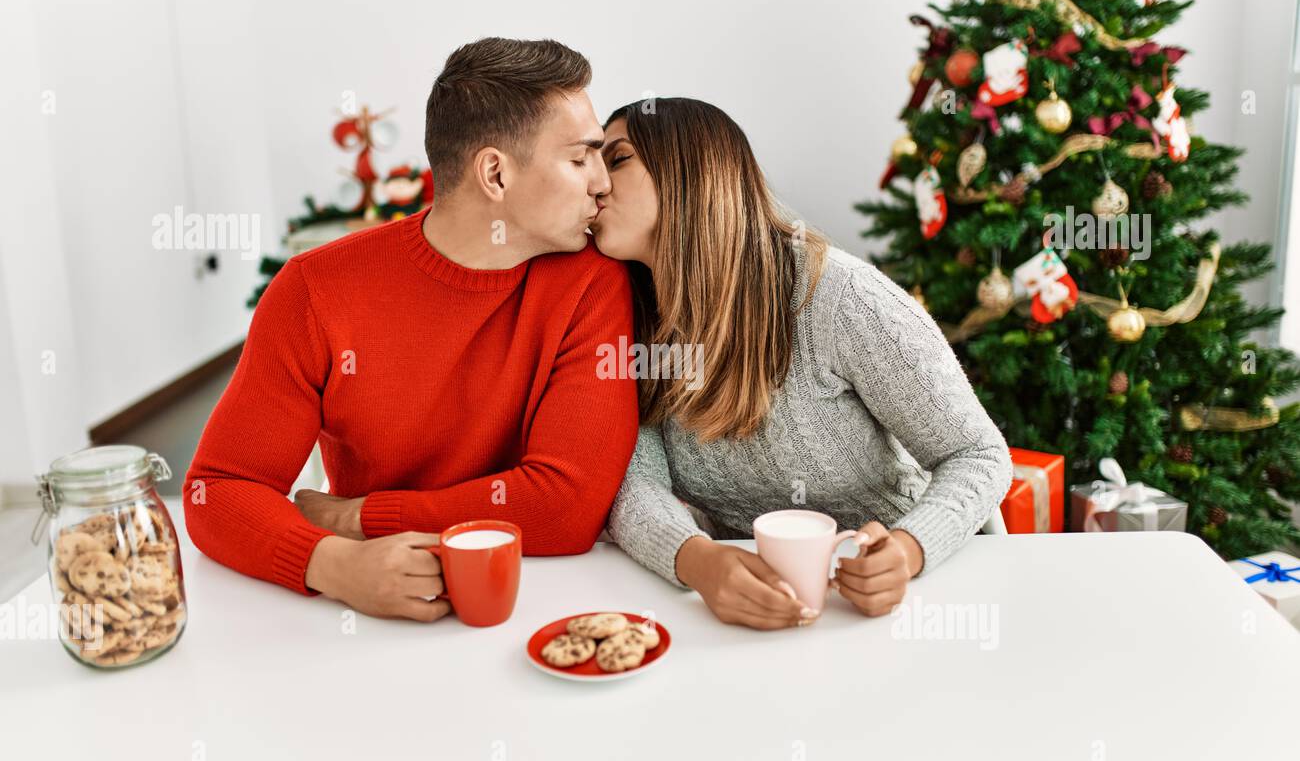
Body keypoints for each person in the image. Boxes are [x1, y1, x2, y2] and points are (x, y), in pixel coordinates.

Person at [184, 38, 638, 621]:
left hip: (542, 600)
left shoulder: (591, 281)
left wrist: (358, 518)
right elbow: (217, 489)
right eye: (580, 159)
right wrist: (332, 565)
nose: (603, 183)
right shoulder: (315, 290)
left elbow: (566, 508)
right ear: (495, 174)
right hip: (368, 623)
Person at [595, 98, 1013, 630]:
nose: (596, 184)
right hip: (765, 608)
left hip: (909, 598)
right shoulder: (629, 318)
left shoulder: (837, 296)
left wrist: (908, 550)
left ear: (690, 171)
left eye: (619, 158)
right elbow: (636, 486)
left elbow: (976, 453)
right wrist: (697, 562)